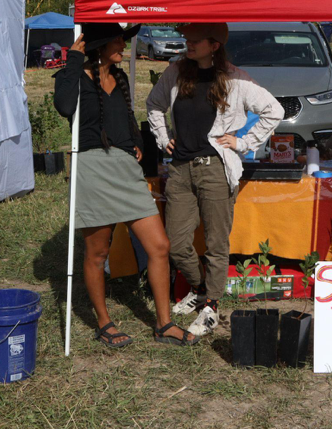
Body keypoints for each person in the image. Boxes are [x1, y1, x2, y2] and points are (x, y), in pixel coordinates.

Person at [146, 22, 283, 344]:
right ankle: (201, 290)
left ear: (214, 45)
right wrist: (162, 136)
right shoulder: (177, 72)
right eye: (187, 39)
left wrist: (244, 142)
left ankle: (211, 306)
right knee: (176, 243)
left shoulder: (236, 79)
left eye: (195, 41)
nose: (187, 45)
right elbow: (154, 104)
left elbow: (273, 110)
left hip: (215, 170)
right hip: (179, 169)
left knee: (216, 242)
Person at [54, 23, 188, 347]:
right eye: (117, 40)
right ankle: (104, 322)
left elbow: (125, 115)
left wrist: (134, 142)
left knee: (159, 246)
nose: (123, 45)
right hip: (93, 169)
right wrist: (74, 59)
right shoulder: (75, 77)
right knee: (98, 252)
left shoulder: (122, 78)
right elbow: (63, 107)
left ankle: (164, 323)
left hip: (125, 170)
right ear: (98, 45)